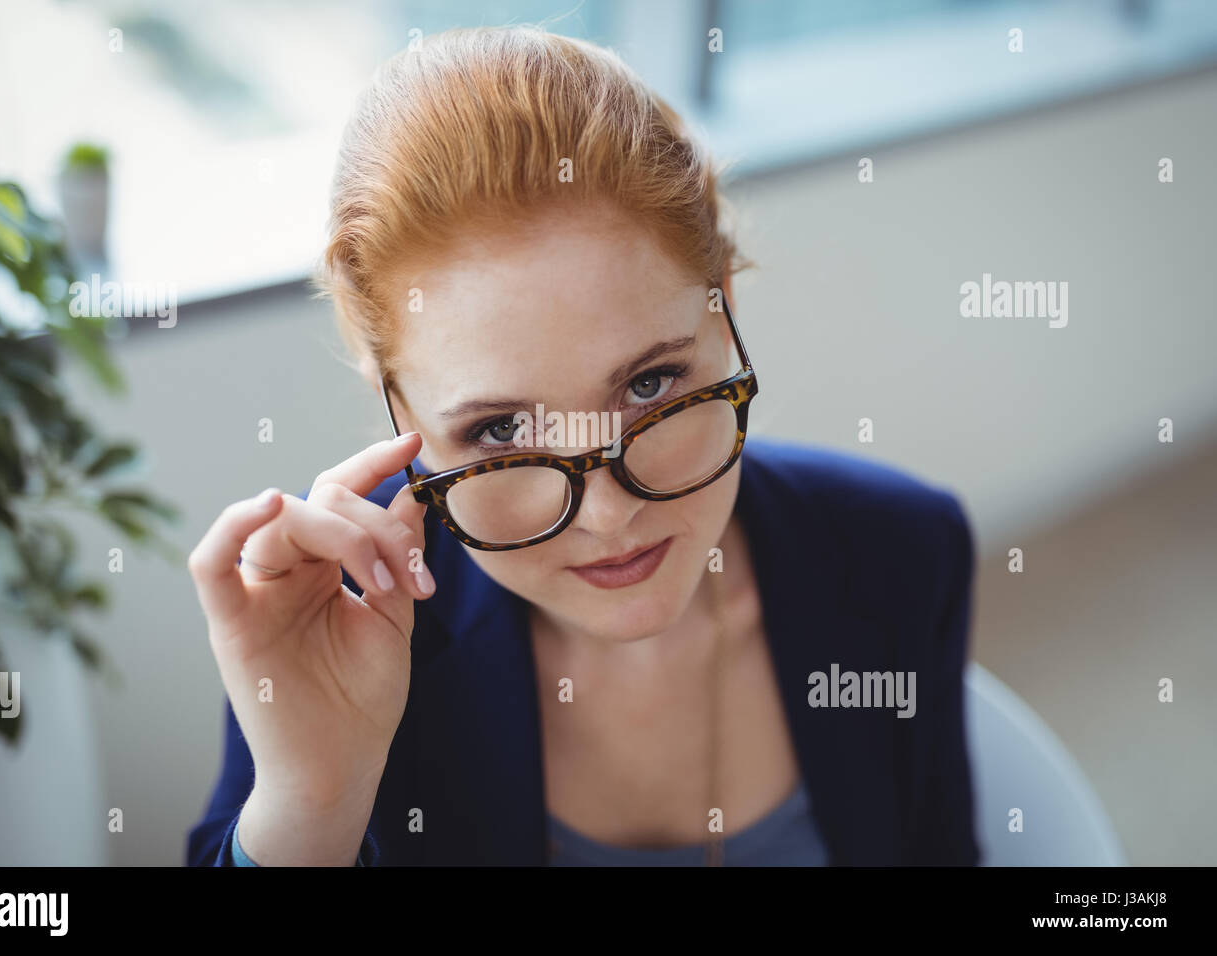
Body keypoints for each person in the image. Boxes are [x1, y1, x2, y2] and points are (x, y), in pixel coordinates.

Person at [186, 25, 979, 866]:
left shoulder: (901, 550)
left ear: (726, 308)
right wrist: (312, 805)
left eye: (650, 386)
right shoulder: (328, 616)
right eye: (502, 430)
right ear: (397, 407)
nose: (608, 514)